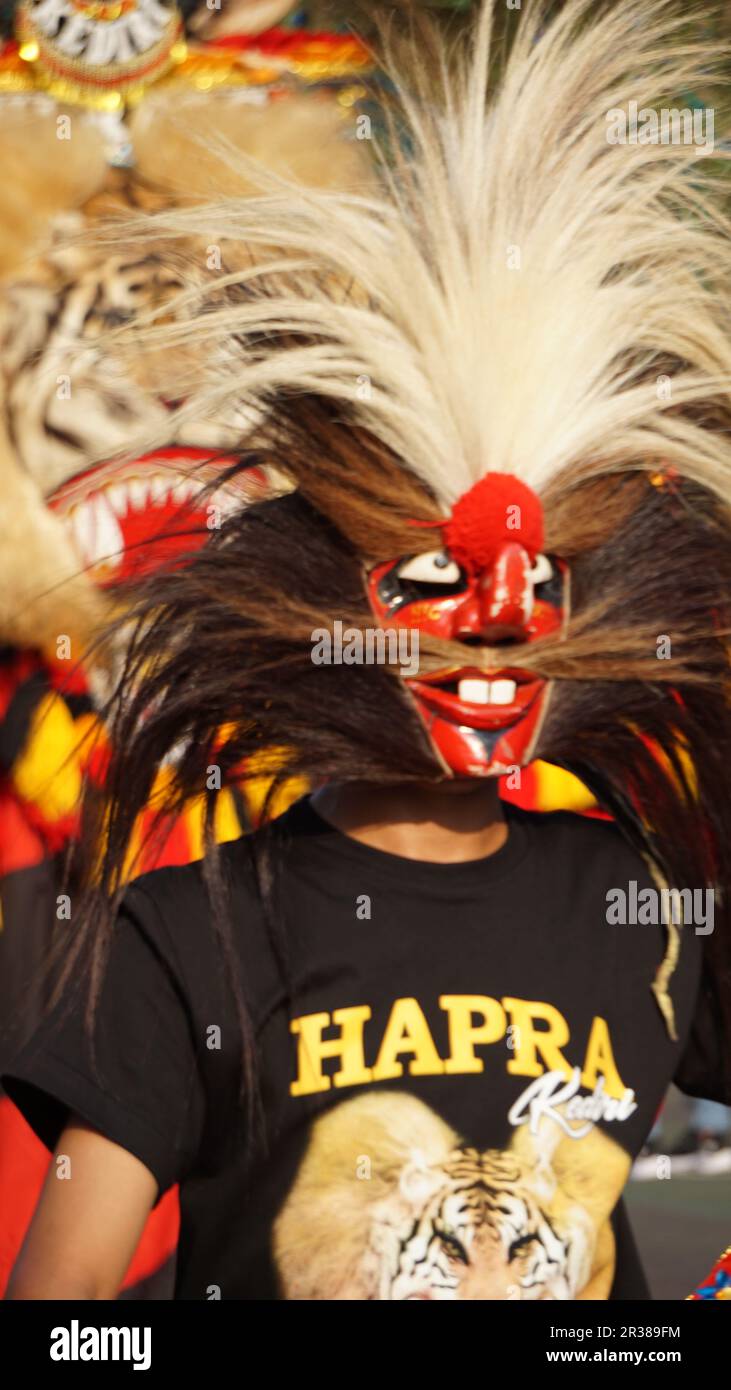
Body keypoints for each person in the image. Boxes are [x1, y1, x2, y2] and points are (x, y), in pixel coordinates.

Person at [4, 0, 731, 1301]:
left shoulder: (640, 902)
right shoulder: (189, 931)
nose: (492, 628)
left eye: (534, 588)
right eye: (434, 584)